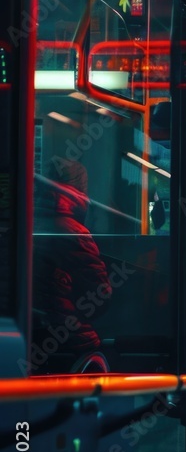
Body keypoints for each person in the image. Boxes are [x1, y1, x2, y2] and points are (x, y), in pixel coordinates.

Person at [30, 159, 111, 374]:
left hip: (28, 330)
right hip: (59, 334)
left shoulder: (24, 223)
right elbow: (99, 294)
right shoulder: (73, 233)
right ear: (79, 190)